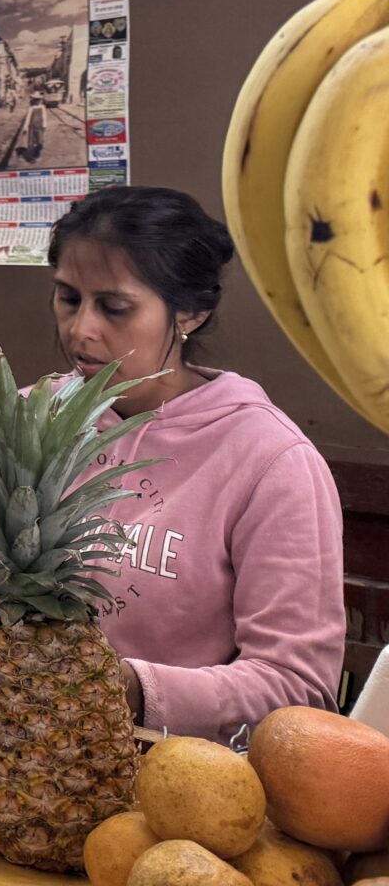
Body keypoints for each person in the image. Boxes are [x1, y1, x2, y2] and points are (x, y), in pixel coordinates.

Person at [40, 185, 345, 740]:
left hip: (178, 774)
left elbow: (298, 685)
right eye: (68, 298)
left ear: (191, 313)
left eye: (114, 307)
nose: (81, 329)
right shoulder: (32, 419)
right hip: (3, 747)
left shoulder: (271, 460)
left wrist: (131, 689)